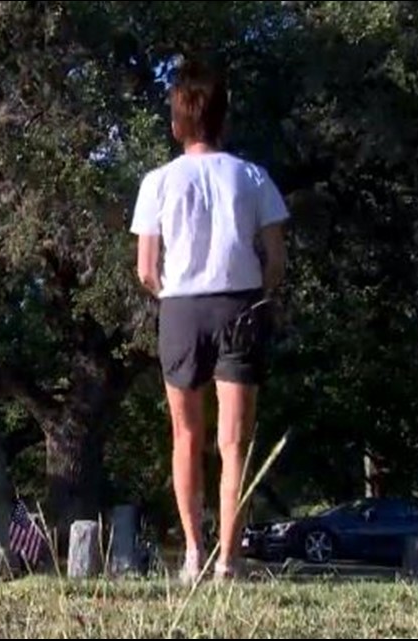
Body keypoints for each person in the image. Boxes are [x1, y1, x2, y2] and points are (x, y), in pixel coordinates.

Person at [129, 60, 289, 583]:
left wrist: (174, 296)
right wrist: (256, 295)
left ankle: (194, 553)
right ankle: (229, 559)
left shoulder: (156, 182)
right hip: (239, 303)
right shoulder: (252, 176)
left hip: (181, 308)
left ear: (176, 125)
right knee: (233, 442)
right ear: (223, 120)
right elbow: (276, 259)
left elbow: (146, 269)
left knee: (185, 436)